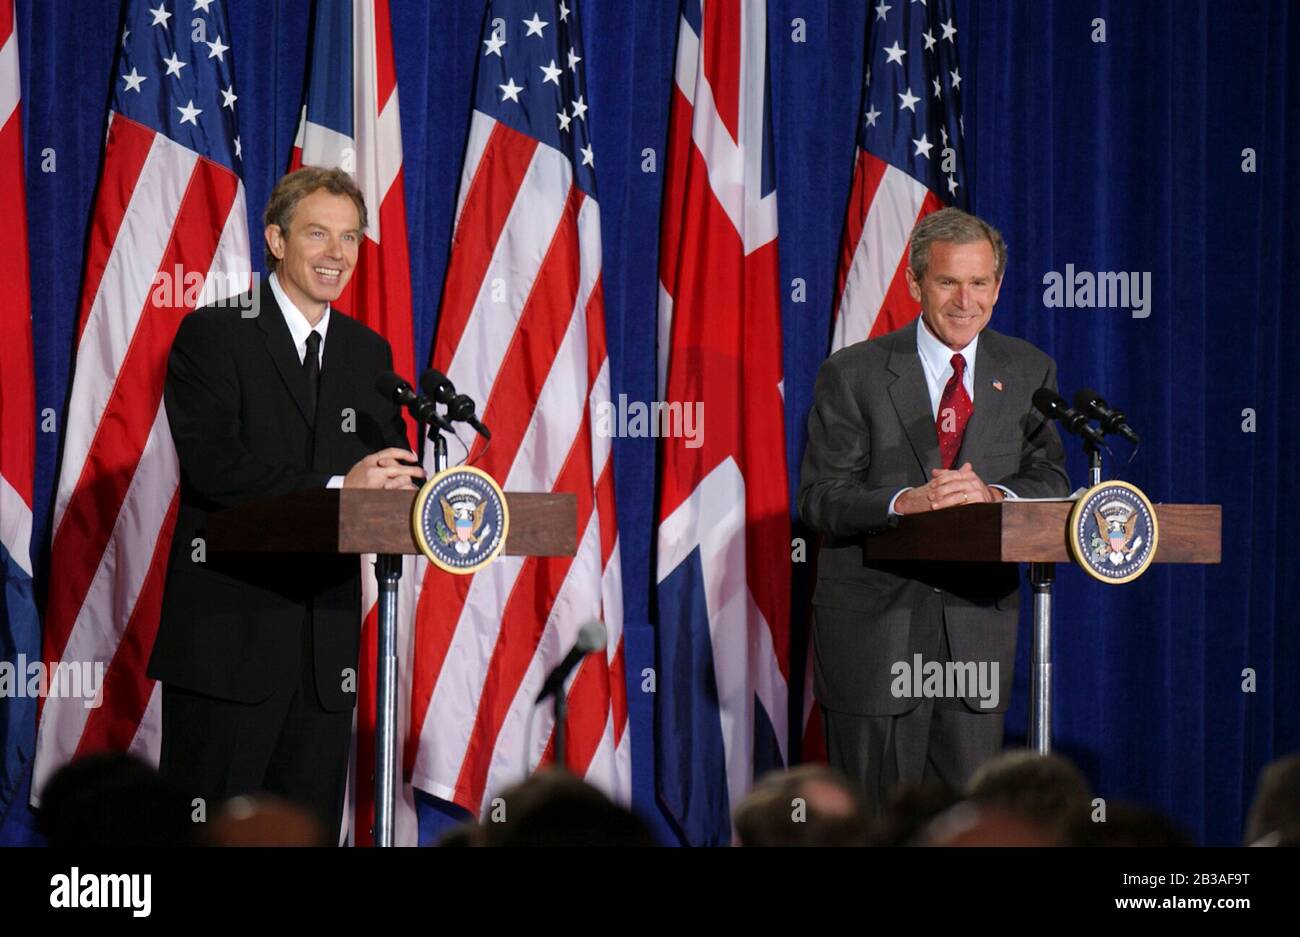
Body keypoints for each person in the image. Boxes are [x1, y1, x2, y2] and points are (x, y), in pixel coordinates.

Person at [147, 167, 425, 843]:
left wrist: (431, 495)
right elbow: (219, 469)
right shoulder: (215, 333)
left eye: (351, 238)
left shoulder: (369, 354)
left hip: (325, 665)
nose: (338, 253)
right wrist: (338, 492)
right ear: (275, 239)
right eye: (318, 234)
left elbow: (392, 473)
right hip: (228, 649)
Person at [798, 207, 1070, 816]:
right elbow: (820, 498)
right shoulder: (854, 372)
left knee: (965, 822)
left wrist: (996, 497)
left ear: (998, 287)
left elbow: (1050, 474)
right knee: (873, 823)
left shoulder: (1028, 370)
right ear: (915, 283)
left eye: (979, 283)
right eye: (948, 282)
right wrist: (904, 502)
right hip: (874, 634)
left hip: (977, 629)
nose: (964, 300)